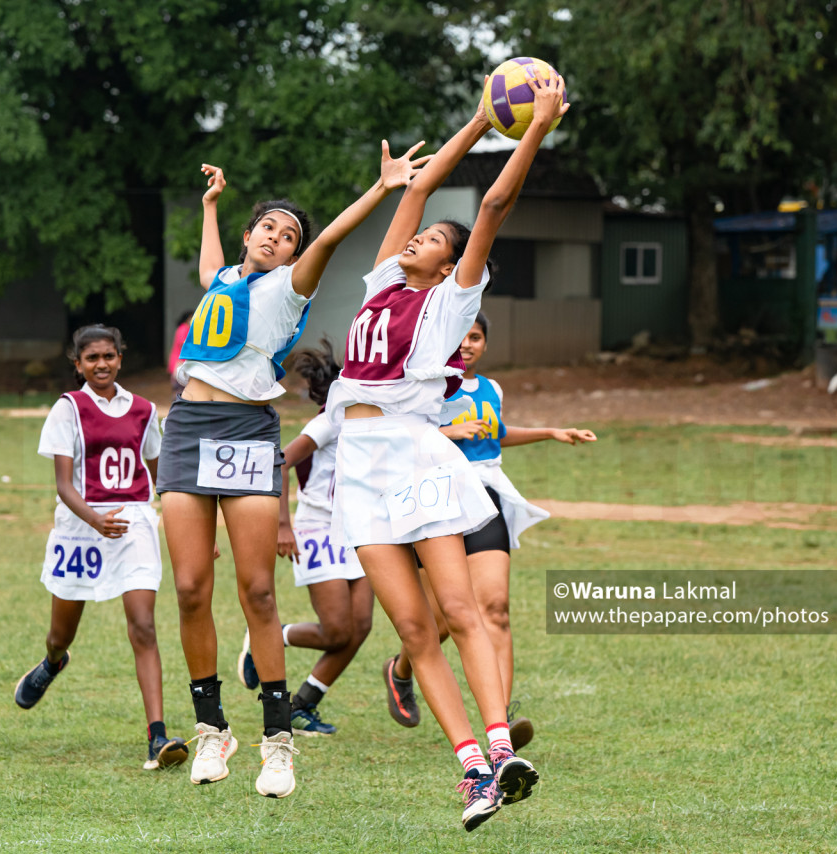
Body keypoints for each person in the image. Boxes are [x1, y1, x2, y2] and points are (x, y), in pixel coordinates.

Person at [325, 73, 568, 831]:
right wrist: (472, 119)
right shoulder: (381, 283)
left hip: (414, 455)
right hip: (356, 468)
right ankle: (472, 772)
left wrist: (531, 128)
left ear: (449, 265)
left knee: (462, 610)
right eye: (420, 235)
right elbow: (415, 195)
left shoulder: (448, 299)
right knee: (413, 630)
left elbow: (491, 205)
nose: (417, 238)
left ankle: (501, 751)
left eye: (431, 240)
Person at [157, 140, 432, 796]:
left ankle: (277, 741)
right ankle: (211, 729)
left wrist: (383, 188)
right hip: (188, 426)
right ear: (249, 235)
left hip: (247, 431)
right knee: (192, 588)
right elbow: (210, 265)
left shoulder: (290, 285)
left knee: (256, 590)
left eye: (289, 236)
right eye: (269, 229)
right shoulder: (225, 279)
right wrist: (210, 207)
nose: (278, 239)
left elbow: (332, 236)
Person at [384, 312, 597, 752]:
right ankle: (400, 669)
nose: (466, 345)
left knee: (495, 608)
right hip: (435, 498)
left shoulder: (491, 389)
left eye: (475, 337)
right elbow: (391, 436)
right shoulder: (419, 386)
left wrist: (550, 432)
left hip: (485, 495)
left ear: (485, 344)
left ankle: (499, 722)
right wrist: (448, 430)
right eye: (459, 338)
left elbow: (494, 435)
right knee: (438, 621)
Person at [13, 324, 187, 771]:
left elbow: (159, 474)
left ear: (120, 358)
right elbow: (62, 483)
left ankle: (157, 737)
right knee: (61, 633)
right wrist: (94, 520)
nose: (102, 364)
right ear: (78, 365)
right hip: (81, 526)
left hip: (133, 523)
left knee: (143, 626)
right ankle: (52, 663)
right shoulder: (68, 409)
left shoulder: (146, 410)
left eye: (108, 356)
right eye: (91, 358)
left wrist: (186, 526)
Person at [239, 338, 373, 737]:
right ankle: (272, 637)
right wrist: (283, 525)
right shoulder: (328, 420)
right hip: (318, 528)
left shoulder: (372, 418)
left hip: (361, 531)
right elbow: (279, 461)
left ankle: (304, 705)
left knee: (360, 627)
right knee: (336, 631)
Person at [168, 310, 195, 399]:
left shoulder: (185, 328)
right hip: (179, 361)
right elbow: (182, 344)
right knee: (179, 386)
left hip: (180, 360)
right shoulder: (184, 328)